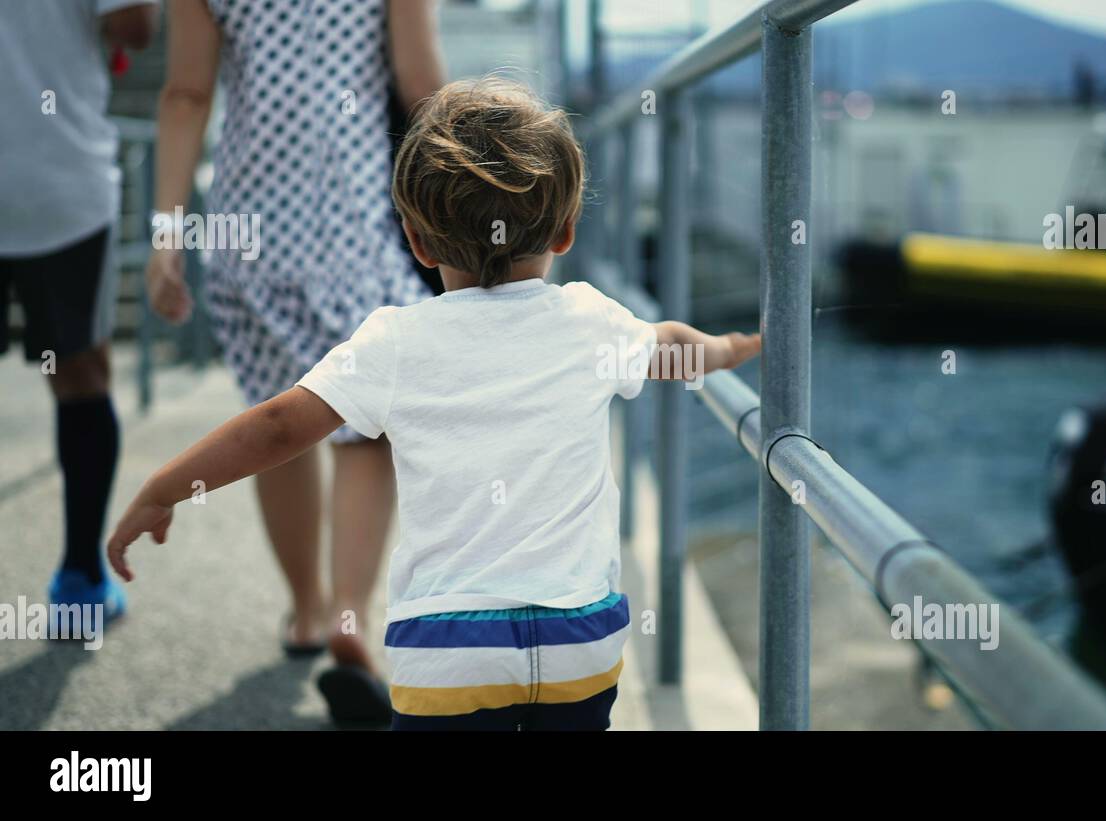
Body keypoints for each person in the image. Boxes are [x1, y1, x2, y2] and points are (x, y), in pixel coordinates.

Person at [107, 77, 761, 730]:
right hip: (579, 637)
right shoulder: (591, 320)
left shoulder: (395, 340)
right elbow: (672, 347)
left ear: (416, 243)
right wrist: (734, 346)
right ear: (564, 232)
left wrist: (166, 485)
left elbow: (280, 426)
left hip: (449, 650)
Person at [144, 0, 446, 723]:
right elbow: (421, 87)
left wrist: (165, 236)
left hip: (246, 236)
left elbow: (187, 93)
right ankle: (348, 617)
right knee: (366, 422)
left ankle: (307, 612)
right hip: (346, 225)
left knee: (283, 420)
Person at [0, 0, 159, 633]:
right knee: (81, 377)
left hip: (51, 174)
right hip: (56, 178)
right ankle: (80, 581)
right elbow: (136, 26)